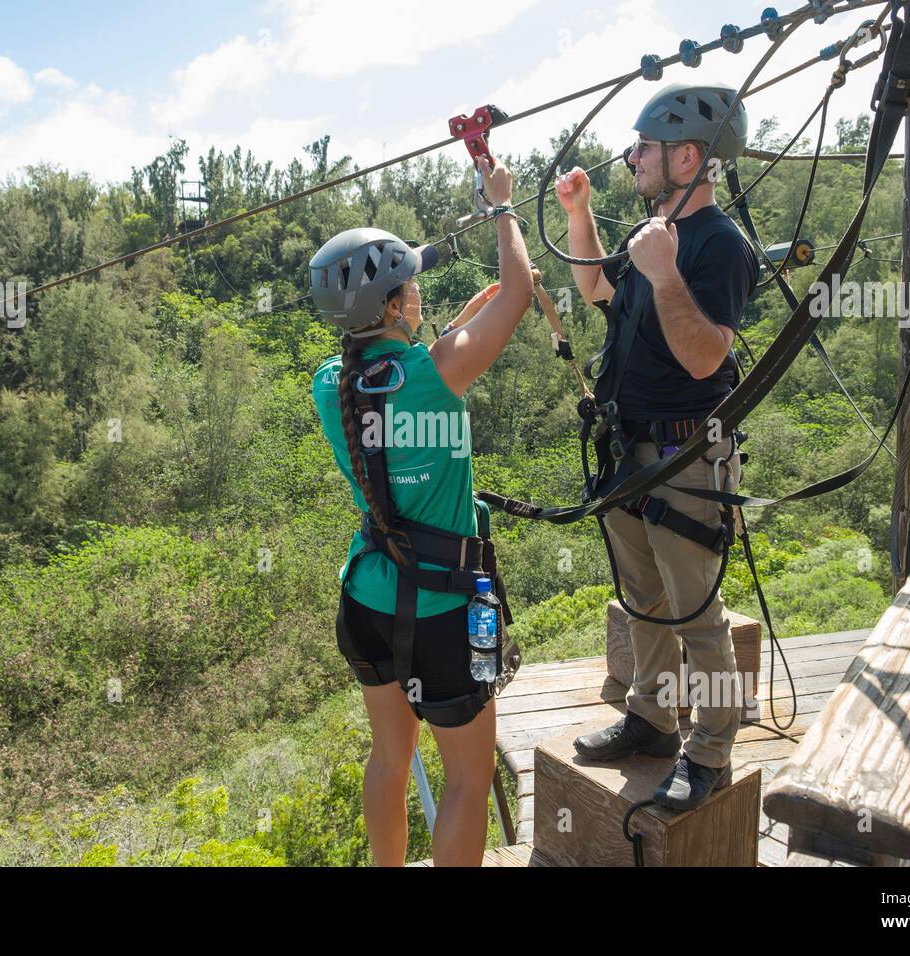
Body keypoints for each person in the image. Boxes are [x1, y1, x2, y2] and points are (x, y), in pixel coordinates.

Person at [309, 155, 533, 865]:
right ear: (395, 304)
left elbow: (412, 366)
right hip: (441, 612)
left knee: (389, 759)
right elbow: (520, 292)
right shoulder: (437, 378)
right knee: (468, 776)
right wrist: (503, 207)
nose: (418, 297)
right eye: (411, 289)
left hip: (368, 598)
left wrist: (455, 326)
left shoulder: (328, 384)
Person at [555, 83, 759, 811]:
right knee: (643, 599)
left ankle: (711, 751)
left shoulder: (718, 247)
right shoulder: (648, 237)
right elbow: (596, 292)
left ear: (686, 157)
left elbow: (707, 358)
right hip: (628, 452)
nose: (631, 157)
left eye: (643, 147)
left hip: (683, 459)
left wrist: (667, 271)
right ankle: (650, 716)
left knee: (696, 608)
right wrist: (579, 216)